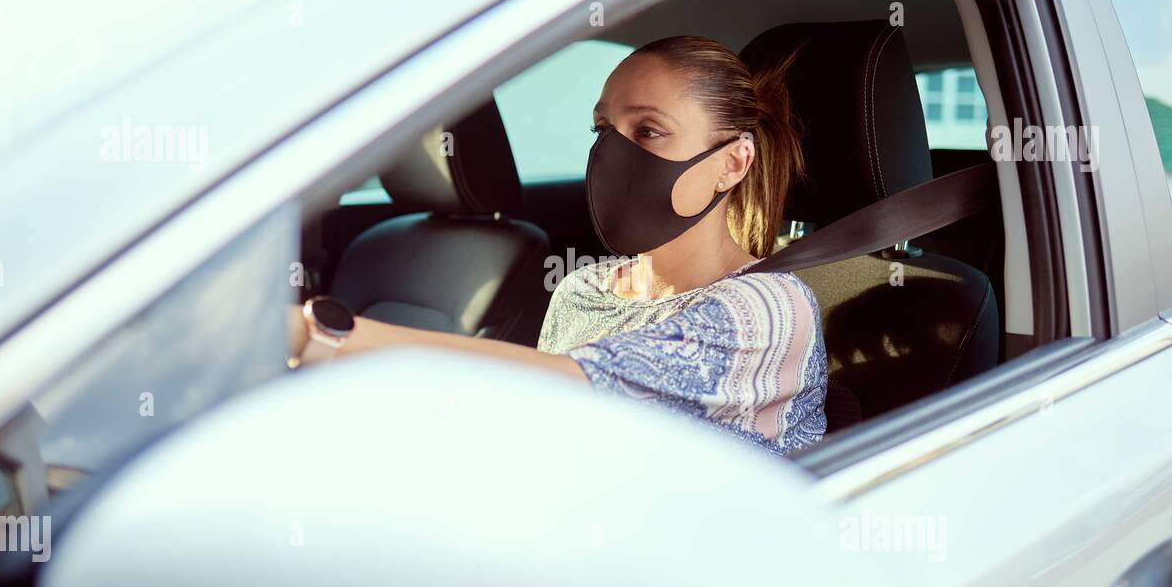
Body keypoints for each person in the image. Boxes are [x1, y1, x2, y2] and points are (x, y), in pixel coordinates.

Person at [289, 35, 827, 454]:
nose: (612, 153)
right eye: (602, 130)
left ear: (732, 162)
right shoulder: (583, 288)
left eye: (648, 132)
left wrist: (320, 334)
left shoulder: (770, 307)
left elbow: (579, 392)